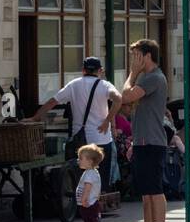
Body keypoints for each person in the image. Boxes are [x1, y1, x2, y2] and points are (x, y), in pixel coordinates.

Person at [29, 56, 121, 192]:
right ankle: (96, 207)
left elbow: (52, 101)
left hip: (81, 141)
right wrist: (107, 120)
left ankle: (82, 206)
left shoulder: (74, 85)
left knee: (81, 178)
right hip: (101, 139)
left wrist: (35, 117)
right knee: (100, 180)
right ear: (100, 70)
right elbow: (118, 99)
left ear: (83, 70)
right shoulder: (105, 85)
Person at [118, 39, 169, 222]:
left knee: (155, 192)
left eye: (136, 55)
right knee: (146, 193)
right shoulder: (146, 78)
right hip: (141, 141)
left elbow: (125, 97)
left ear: (147, 56)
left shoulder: (154, 77)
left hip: (153, 142)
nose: (133, 60)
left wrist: (131, 74)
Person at [73, 143, 105, 222]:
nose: (79, 160)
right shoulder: (91, 172)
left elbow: (88, 188)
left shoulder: (90, 174)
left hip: (88, 204)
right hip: (91, 203)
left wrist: (84, 199)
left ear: (90, 161)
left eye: (81, 158)